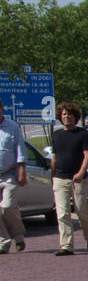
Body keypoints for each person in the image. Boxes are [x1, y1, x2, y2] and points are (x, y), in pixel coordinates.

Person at [50, 102, 88, 256]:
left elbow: (87, 155)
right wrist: (53, 174)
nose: (66, 117)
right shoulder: (56, 134)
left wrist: (81, 172)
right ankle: (66, 245)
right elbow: (54, 157)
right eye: (63, 114)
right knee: (62, 213)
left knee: (81, 210)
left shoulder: (82, 134)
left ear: (75, 116)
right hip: (60, 178)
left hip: (78, 179)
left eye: (69, 114)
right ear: (60, 117)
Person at [0, 98, 27, 254]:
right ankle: (3, 242)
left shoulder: (12, 127)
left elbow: (20, 149)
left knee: (7, 206)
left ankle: (18, 235)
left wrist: (22, 169)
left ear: (2, 109)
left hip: (9, 174)